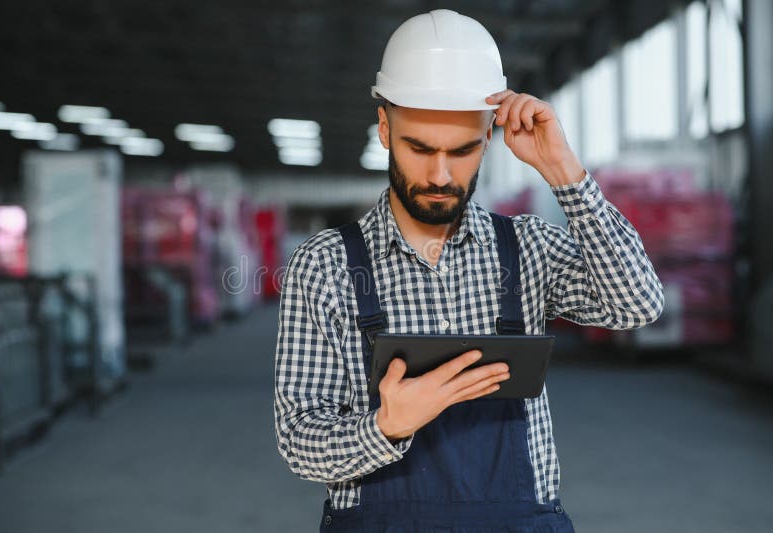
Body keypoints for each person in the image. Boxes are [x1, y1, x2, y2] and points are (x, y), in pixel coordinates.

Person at [274, 9, 664, 532]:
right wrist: (386, 426)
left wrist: (564, 172)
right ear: (385, 128)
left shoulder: (527, 250)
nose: (440, 175)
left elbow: (637, 304)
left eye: (461, 151)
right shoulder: (323, 266)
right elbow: (301, 443)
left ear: (487, 138)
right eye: (419, 147)